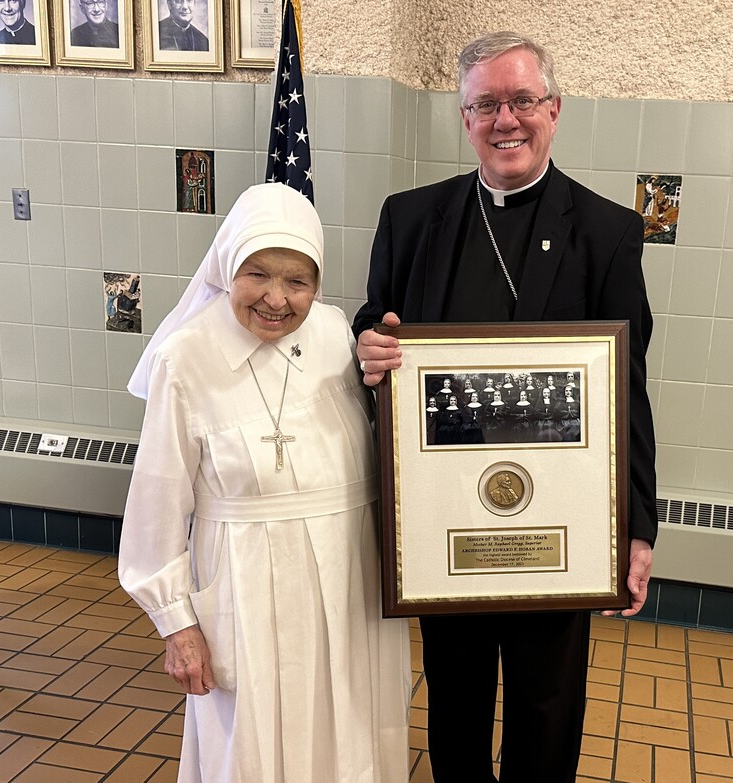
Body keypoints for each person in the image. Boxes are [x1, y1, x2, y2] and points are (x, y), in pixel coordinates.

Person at [353, 30, 657, 783]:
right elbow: (373, 326)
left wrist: (638, 530)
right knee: (452, 699)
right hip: (444, 519)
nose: (505, 120)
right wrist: (367, 348)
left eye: (522, 100)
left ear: (553, 110)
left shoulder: (607, 231)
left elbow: (629, 388)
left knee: (546, 705)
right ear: (464, 119)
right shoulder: (410, 218)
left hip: (560, 522)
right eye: (486, 104)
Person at [120, 184, 409, 782]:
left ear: (318, 285)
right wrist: (178, 626)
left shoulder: (333, 333)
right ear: (229, 267)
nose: (276, 299)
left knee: (352, 727)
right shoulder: (186, 357)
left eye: (297, 282)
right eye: (258, 275)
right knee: (254, 741)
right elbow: (156, 508)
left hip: (353, 583)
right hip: (246, 592)